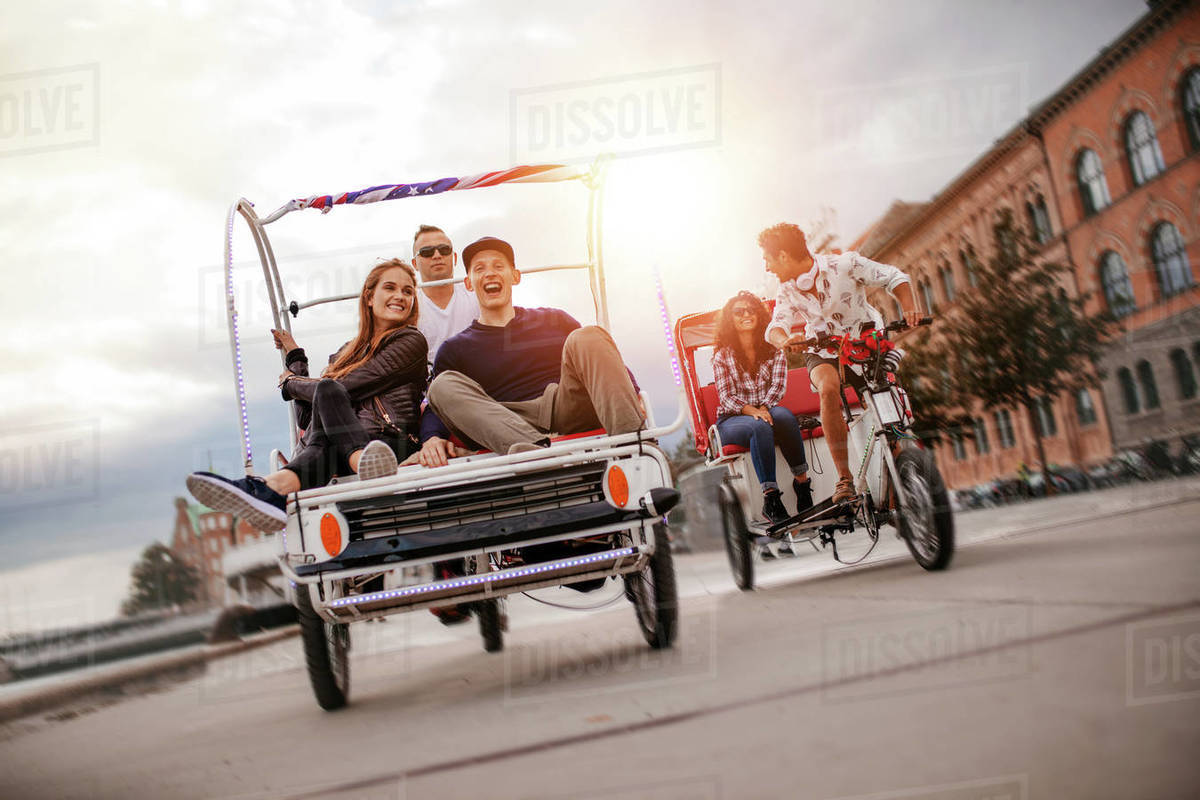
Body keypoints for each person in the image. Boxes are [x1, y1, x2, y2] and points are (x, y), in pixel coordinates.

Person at [187, 259, 428, 531]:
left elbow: (345, 387)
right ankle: (275, 488)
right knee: (325, 404)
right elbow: (306, 418)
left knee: (328, 392)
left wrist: (291, 383)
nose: (400, 296)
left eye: (408, 291)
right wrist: (296, 359)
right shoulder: (343, 354)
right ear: (370, 297)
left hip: (389, 446)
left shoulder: (410, 341)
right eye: (390, 288)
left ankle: (272, 485)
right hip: (343, 451)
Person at [416, 235, 646, 466]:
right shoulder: (455, 348)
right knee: (441, 385)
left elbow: (598, 357)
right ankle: (543, 457)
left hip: (563, 405)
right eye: (480, 269)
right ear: (469, 283)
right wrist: (431, 437)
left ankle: (634, 455)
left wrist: (633, 390)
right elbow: (439, 404)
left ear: (515, 277)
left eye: (498, 266)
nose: (490, 273)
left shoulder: (554, 319)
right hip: (504, 419)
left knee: (588, 335)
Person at [759, 222, 922, 504]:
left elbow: (894, 277)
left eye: (768, 260)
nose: (767, 268)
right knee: (828, 388)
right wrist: (784, 340)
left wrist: (909, 307)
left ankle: (898, 466)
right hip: (822, 350)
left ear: (784, 256)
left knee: (887, 402)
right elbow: (775, 326)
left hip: (865, 344)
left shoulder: (846, 264)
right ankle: (845, 479)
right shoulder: (786, 290)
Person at [712, 291, 812, 525]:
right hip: (732, 418)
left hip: (767, 406)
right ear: (731, 320)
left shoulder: (773, 349)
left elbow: (778, 386)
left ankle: (803, 485)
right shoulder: (722, 357)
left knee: (785, 417)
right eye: (739, 312)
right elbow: (726, 398)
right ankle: (771, 498)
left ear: (759, 315)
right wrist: (754, 411)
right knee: (759, 426)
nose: (746, 315)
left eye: (751, 310)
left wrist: (763, 408)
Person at [411, 224, 479, 366]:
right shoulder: (408, 305)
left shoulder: (476, 295)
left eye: (444, 250)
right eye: (426, 252)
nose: (437, 255)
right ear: (415, 263)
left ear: (454, 258)